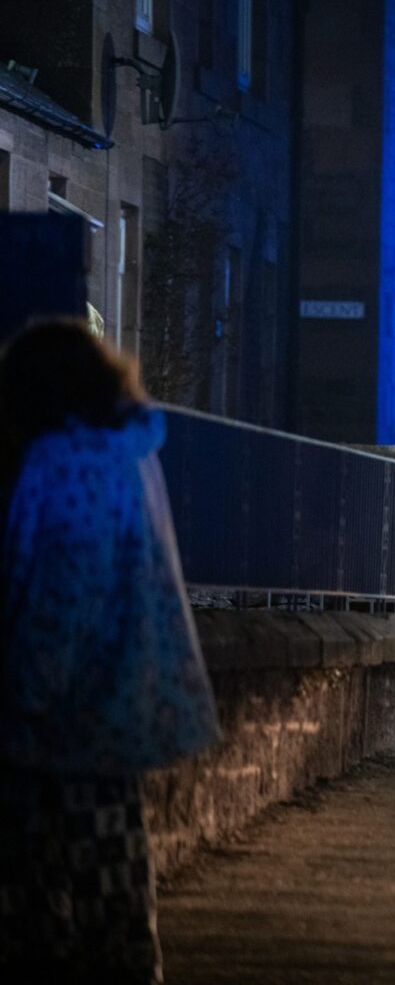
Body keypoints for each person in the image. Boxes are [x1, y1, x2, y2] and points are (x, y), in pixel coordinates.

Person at [0, 318, 221, 984]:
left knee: (42, 896)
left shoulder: (64, 463)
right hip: (121, 700)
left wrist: (23, 699)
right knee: (115, 881)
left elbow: (63, 599)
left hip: (60, 723)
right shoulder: (130, 454)